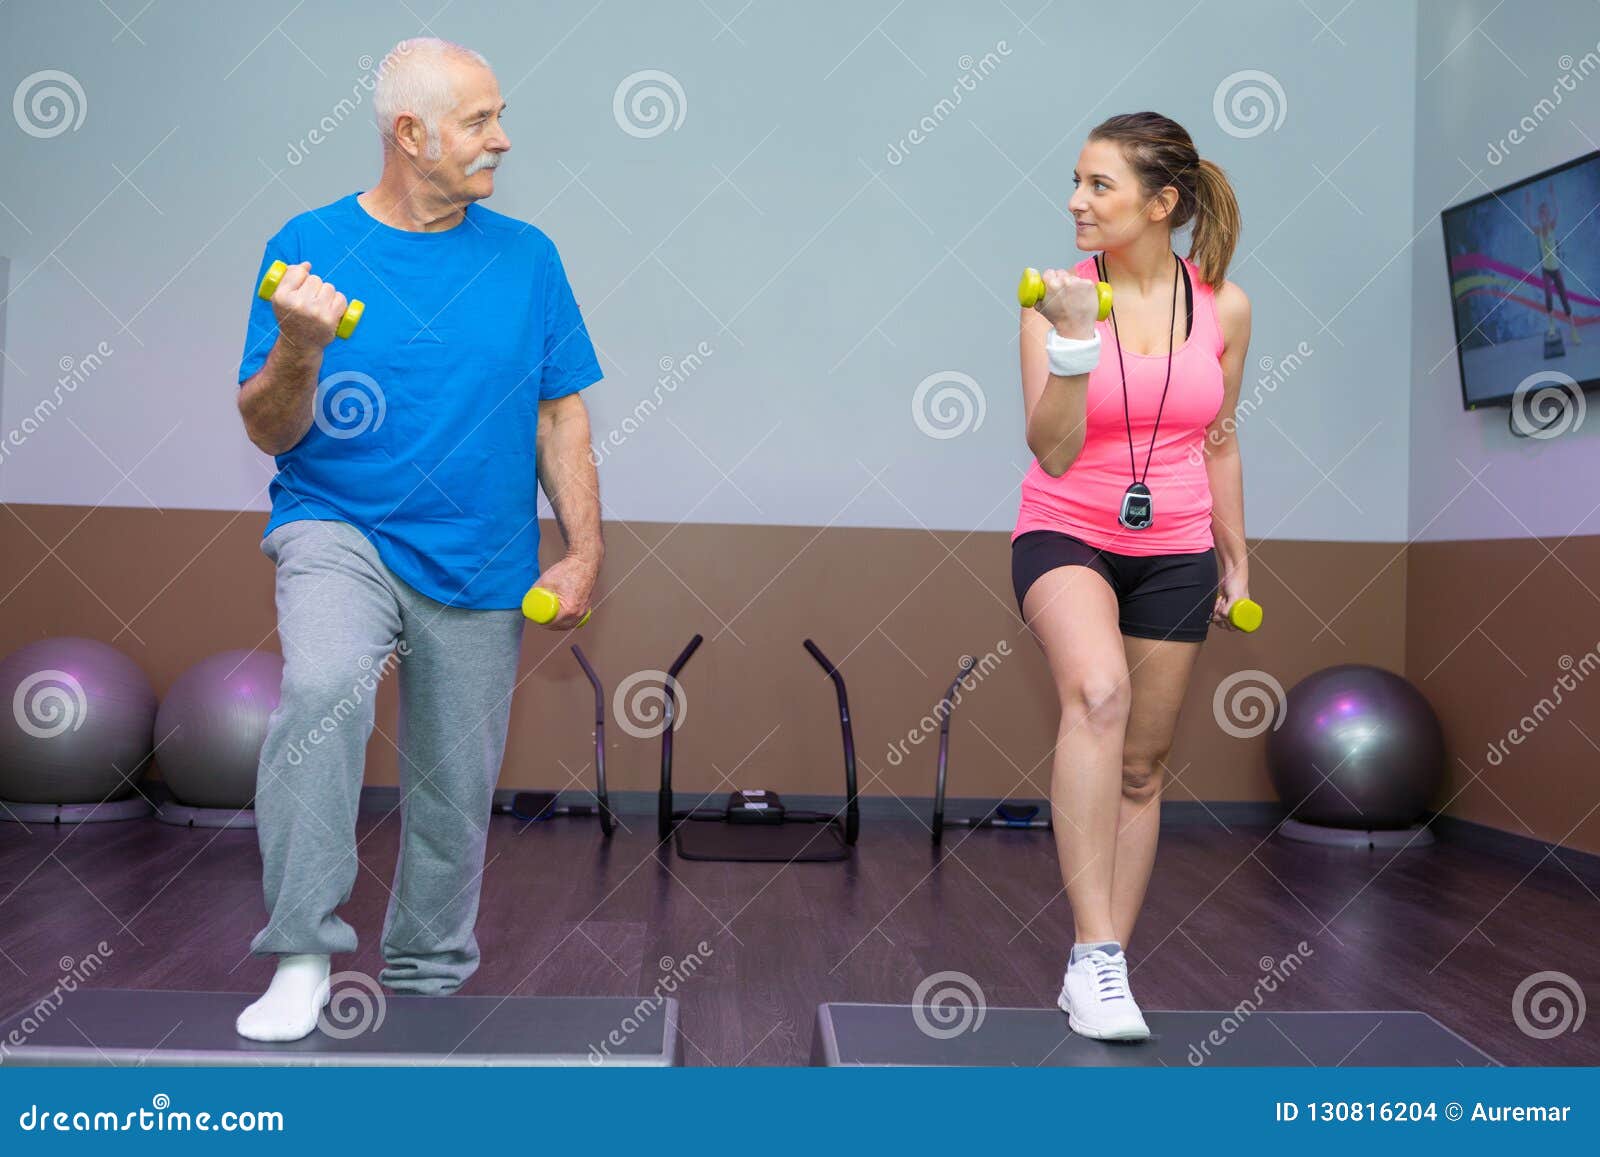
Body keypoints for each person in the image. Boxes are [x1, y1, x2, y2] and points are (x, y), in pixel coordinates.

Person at [232, 37, 604, 1042]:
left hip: (481, 552)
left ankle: (430, 982)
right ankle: (303, 956)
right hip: (337, 525)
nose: (502, 138)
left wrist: (580, 551)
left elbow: (558, 414)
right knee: (319, 691)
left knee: (452, 785)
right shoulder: (306, 244)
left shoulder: (527, 258)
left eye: (497, 116)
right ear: (410, 133)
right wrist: (301, 344)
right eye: (480, 121)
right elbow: (268, 426)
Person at [1011, 111, 1252, 1040]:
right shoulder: (1054, 294)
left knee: (1144, 768)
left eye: (1099, 185)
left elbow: (1218, 435)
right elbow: (1052, 448)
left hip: (1178, 545)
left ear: (1163, 204)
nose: (1076, 200)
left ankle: (1097, 965)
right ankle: (1098, 956)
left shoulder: (1224, 306)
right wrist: (1073, 342)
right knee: (1098, 695)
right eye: (1075, 179)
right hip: (1065, 531)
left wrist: (1236, 549)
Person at [1524, 184, 1581, 346]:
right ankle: (1551, 326)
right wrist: (1527, 204)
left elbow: (1558, 211)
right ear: (1539, 216)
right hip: (1546, 271)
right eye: (1541, 214)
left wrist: (1553, 194)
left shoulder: (1552, 226)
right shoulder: (1538, 230)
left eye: (1545, 214)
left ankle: (1574, 331)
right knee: (1548, 296)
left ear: (1547, 215)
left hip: (1556, 270)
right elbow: (1528, 222)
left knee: (1564, 300)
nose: (1543, 216)